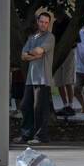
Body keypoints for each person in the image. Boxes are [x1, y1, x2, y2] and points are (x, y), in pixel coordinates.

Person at [19, 12, 55, 144]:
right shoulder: (32, 37)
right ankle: (26, 135)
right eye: (42, 22)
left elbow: (40, 51)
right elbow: (23, 56)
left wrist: (33, 53)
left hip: (42, 78)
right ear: (37, 22)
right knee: (25, 106)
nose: (44, 24)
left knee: (39, 107)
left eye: (46, 22)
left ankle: (40, 136)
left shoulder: (50, 37)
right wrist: (33, 54)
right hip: (31, 78)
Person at [51, 11, 75, 114]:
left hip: (68, 52)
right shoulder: (56, 23)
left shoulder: (69, 22)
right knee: (59, 80)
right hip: (57, 52)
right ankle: (65, 104)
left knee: (67, 79)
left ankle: (70, 105)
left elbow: (75, 39)